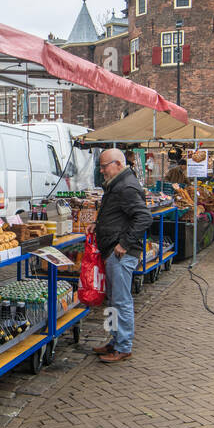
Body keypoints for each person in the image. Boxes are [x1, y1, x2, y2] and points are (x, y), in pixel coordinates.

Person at [90, 148, 151, 364]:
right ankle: (114, 340)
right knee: (113, 300)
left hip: (120, 254)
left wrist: (124, 243)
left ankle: (123, 346)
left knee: (121, 301)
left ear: (117, 164)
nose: (102, 170)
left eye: (105, 166)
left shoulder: (125, 186)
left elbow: (144, 217)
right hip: (112, 251)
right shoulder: (118, 184)